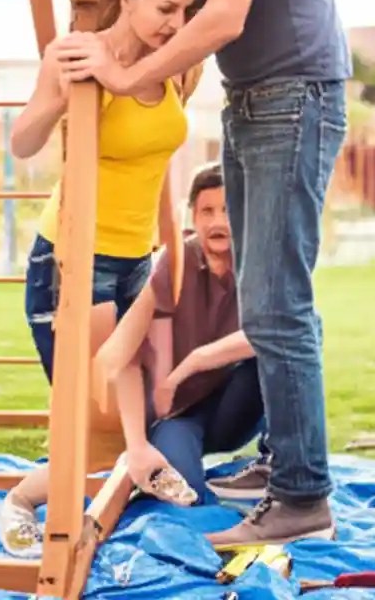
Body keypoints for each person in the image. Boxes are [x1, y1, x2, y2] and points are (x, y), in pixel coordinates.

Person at [55, 0, 352, 547]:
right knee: (261, 297)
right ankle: (283, 460)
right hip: (250, 98)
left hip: (295, 94)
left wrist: (129, 77)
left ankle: (302, 498)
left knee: (278, 304)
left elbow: (222, 18)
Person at [0, 0, 206, 552]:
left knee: (127, 426)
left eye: (186, 11)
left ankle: (92, 493)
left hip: (137, 260)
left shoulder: (178, 63)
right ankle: (19, 504)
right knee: (90, 420)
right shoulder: (74, 56)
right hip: (72, 258)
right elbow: (24, 142)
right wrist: (61, 97)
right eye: (167, 8)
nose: (178, 24)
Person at [98, 162, 267, 505]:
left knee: (277, 352)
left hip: (230, 406)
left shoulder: (259, 262)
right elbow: (124, 360)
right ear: (193, 216)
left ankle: (278, 460)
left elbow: (284, 331)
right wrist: (137, 446)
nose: (218, 221)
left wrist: (192, 362)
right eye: (207, 211)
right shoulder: (173, 265)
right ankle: (162, 452)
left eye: (228, 210)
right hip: (175, 413)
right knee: (185, 495)